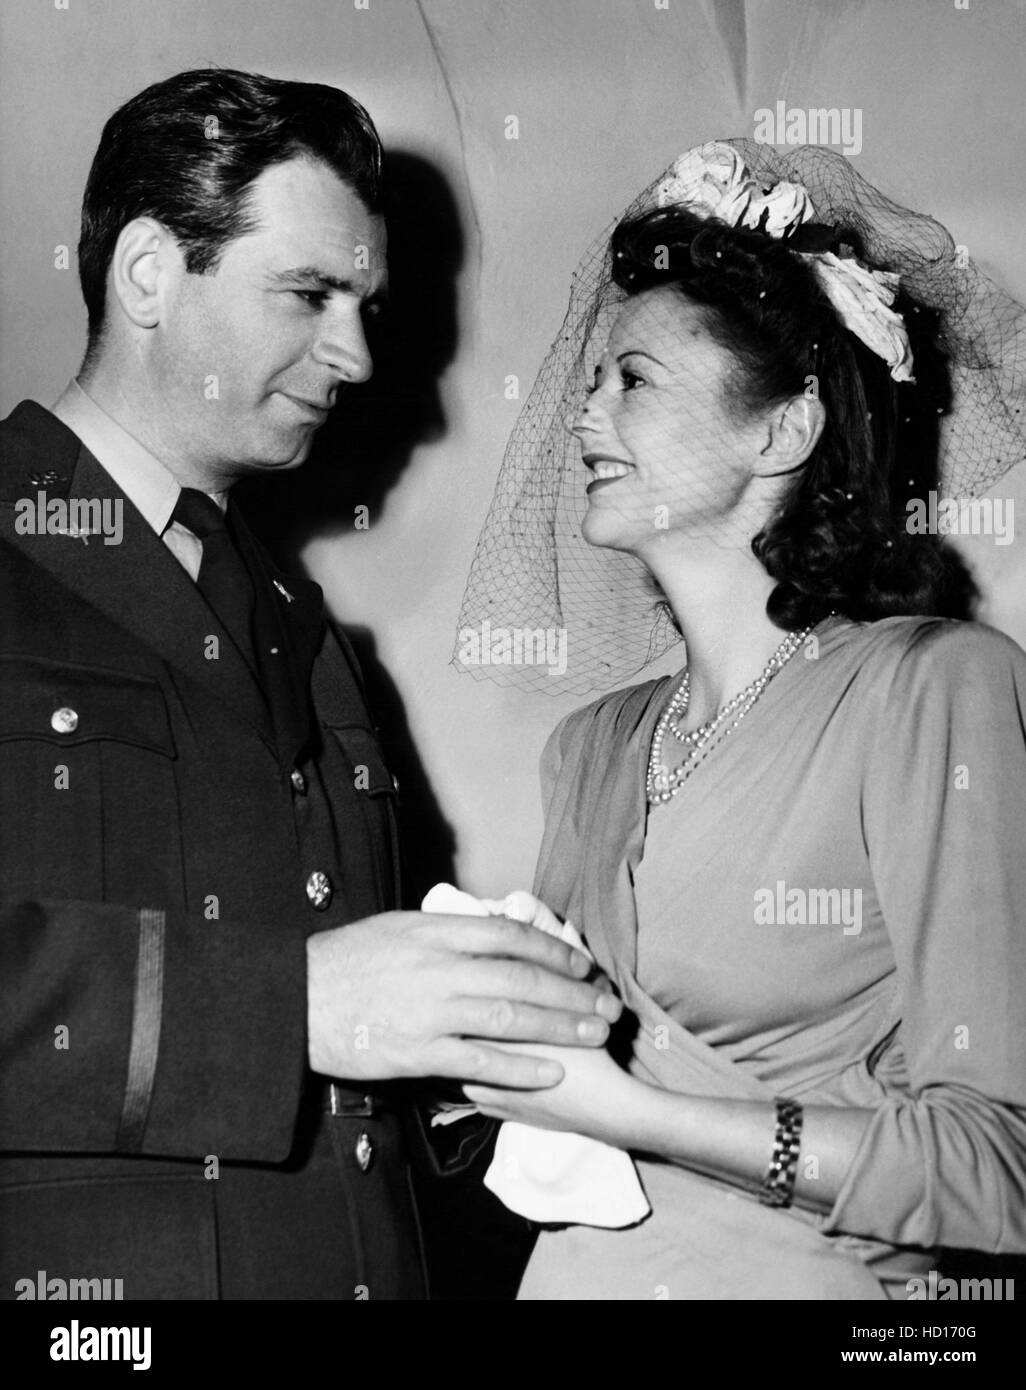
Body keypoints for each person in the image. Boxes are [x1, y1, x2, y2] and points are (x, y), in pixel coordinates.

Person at [0, 67, 621, 1302]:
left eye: (366, 305)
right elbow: (308, 1002)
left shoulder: (302, 625)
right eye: (309, 294)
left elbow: (362, 1065)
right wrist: (290, 1008)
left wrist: (467, 1053)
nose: (356, 354)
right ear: (147, 274)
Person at [458, 142, 1026, 1299]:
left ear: (782, 431)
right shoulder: (592, 747)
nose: (583, 415)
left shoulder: (934, 691)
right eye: (591, 381)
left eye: (633, 379)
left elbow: (994, 1169)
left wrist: (636, 1112)